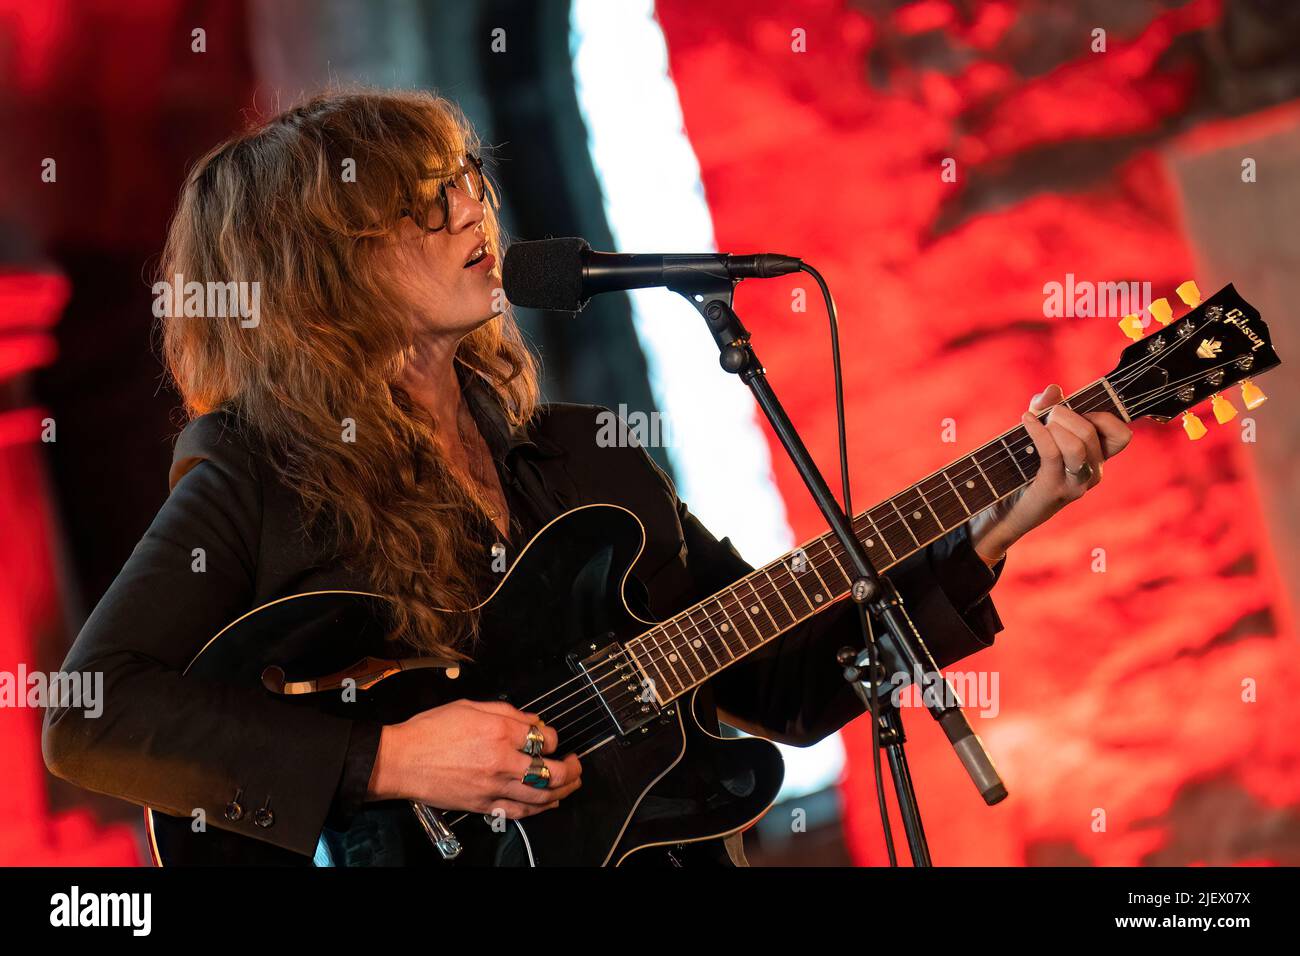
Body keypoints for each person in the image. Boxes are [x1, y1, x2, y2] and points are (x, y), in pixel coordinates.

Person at [42, 89, 1131, 866]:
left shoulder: (583, 453)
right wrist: (388, 757)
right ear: (321, 273)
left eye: (462, 180)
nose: (472, 209)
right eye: (423, 202)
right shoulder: (254, 472)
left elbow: (785, 684)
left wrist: (992, 524)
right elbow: (95, 717)